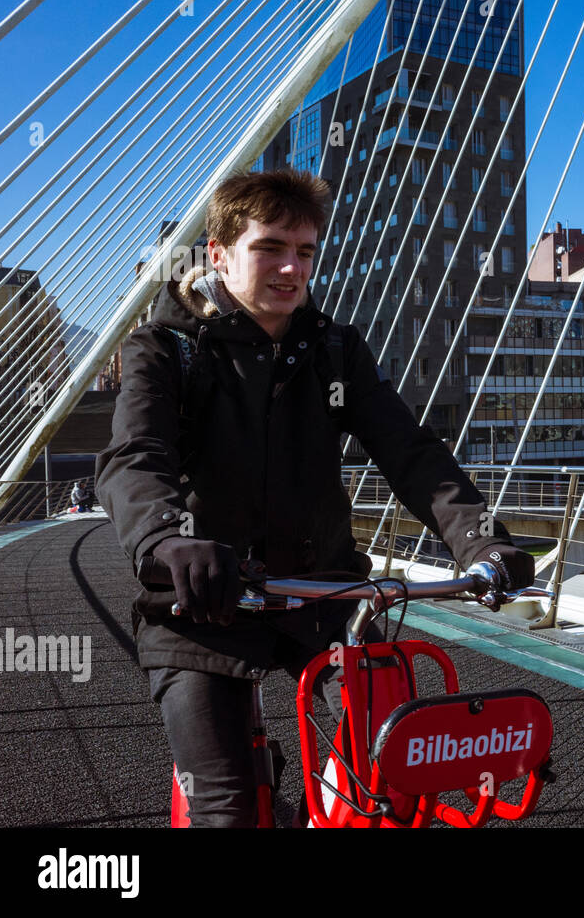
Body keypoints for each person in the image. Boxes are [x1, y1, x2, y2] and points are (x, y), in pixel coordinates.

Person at [96, 169, 533, 827]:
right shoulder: (166, 349)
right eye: (270, 247)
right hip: (203, 600)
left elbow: (408, 450)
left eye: (305, 251)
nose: (290, 268)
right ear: (218, 253)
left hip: (325, 598)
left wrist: (480, 539)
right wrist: (167, 540)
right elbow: (135, 456)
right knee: (229, 806)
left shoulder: (332, 350)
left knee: (402, 773)